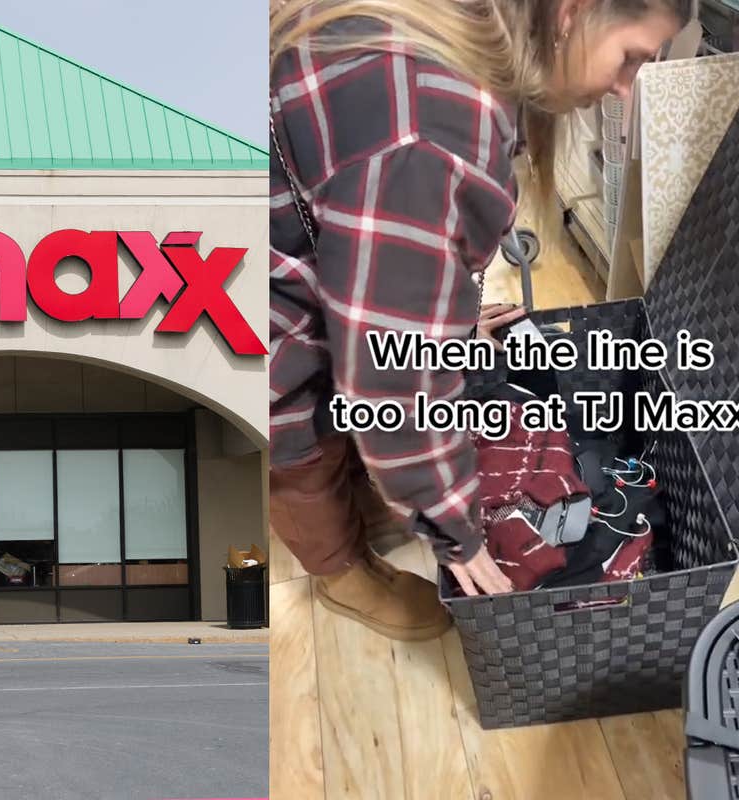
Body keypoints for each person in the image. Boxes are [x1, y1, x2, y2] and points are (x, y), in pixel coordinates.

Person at [267, 0, 688, 640]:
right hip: (233, 268)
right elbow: (391, 376)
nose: (623, 89)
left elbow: (386, 267)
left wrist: (448, 322)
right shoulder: (433, 130)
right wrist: (455, 534)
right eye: (630, 59)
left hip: (288, 217)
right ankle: (340, 571)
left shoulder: (471, 31)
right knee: (293, 425)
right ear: (572, 13)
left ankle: (372, 488)